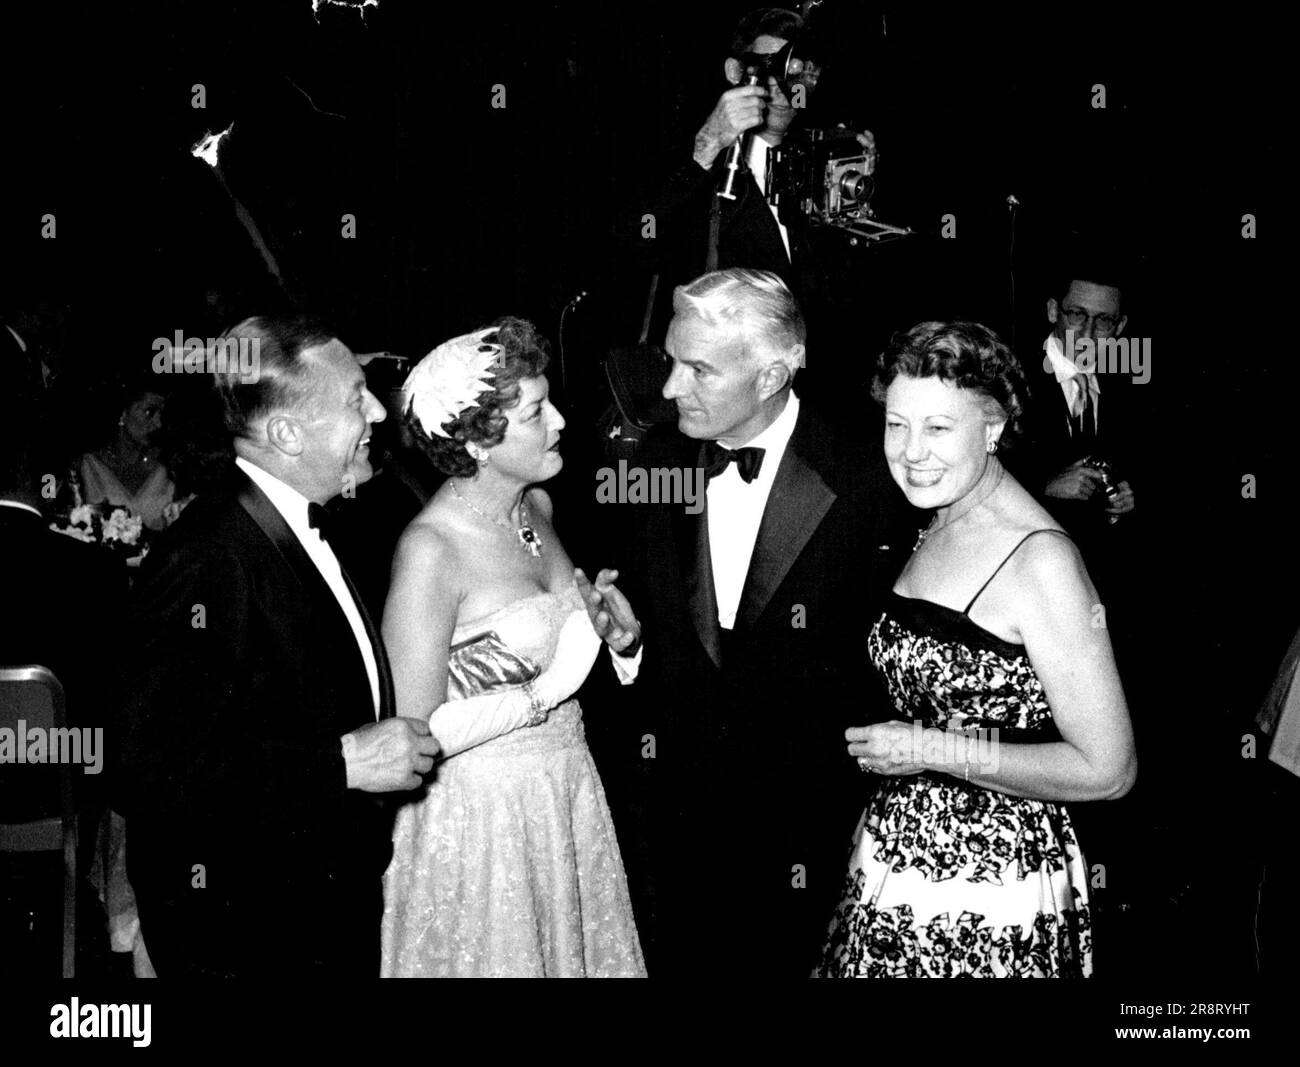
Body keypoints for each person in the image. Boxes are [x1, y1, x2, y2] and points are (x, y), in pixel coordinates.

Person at [581, 268, 912, 976]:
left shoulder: (869, 477)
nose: (670, 388)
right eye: (673, 362)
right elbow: (646, 632)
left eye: (697, 369)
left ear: (768, 376)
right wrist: (629, 646)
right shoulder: (656, 461)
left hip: (815, 826)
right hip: (682, 827)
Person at [114, 313, 440, 977]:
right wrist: (339, 763)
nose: (378, 410)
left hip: (311, 912)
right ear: (287, 432)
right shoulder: (209, 556)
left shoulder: (302, 526)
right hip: (248, 933)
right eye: (356, 397)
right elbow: (147, 770)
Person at [815, 321, 1137, 978]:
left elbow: (1110, 769)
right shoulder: (936, 513)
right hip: (895, 865)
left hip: (993, 891)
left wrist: (931, 749)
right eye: (896, 425)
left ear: (992, 428)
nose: (909, 452)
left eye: (938, 428)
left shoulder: (1042, 561)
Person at [380, 318, 645, 977]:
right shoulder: (430, 549)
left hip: (564, 790)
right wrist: (544, 691)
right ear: (475, 439)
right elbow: (415, 735)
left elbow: (573, 649)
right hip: (481, 820)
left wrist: (622, 644)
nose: (559, 420)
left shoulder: (541, 508)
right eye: (535, 412)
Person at [75, 380, 177, 531]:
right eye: (149, 412)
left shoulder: (168, 465)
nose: (158, 424)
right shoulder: (87, 465)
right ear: (122, 413)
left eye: (161, 415)